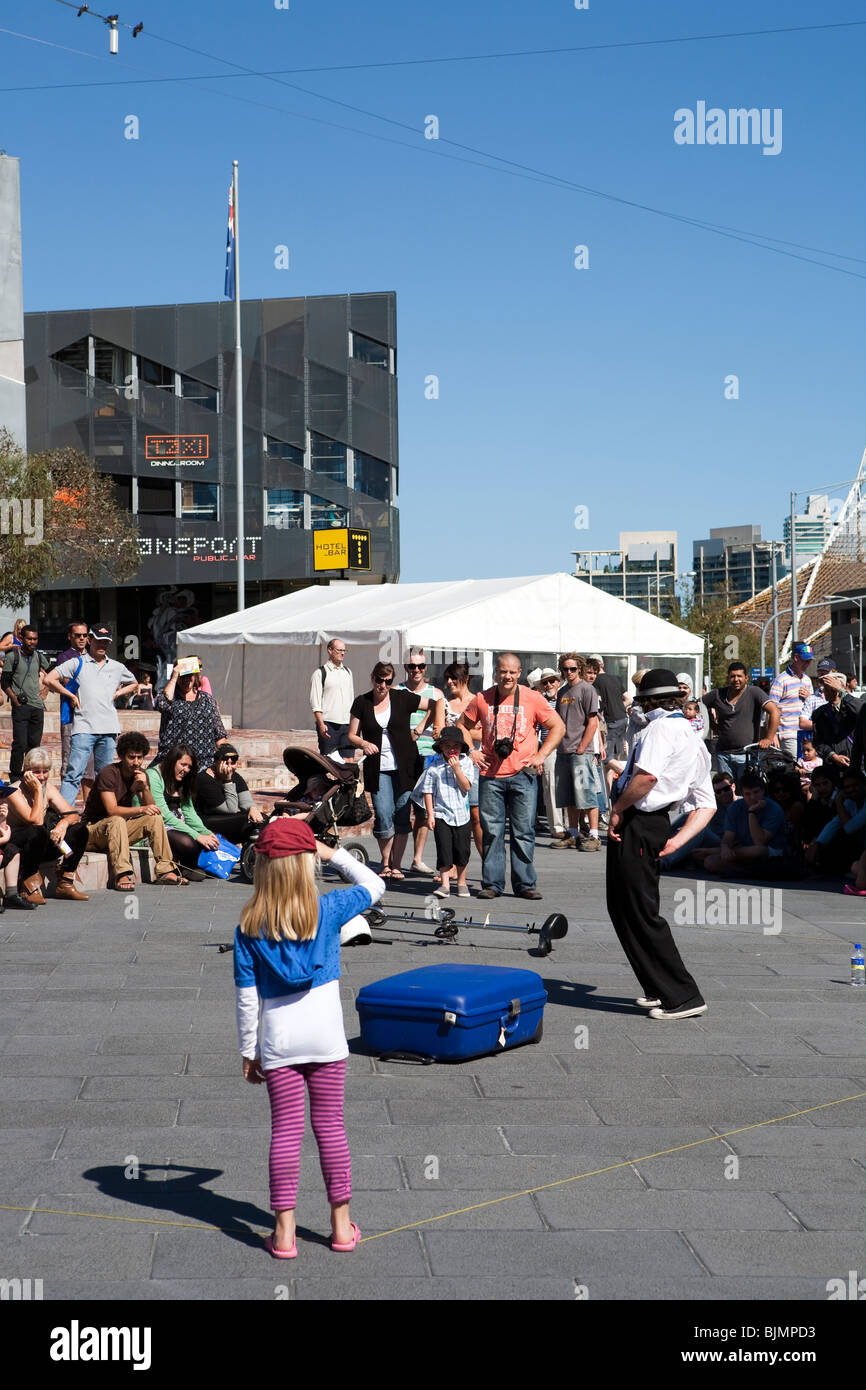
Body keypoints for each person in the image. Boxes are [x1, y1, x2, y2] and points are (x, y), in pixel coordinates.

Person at [232, 817, 385, 1257]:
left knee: (284, 1133)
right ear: (305, 864)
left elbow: (246, 999)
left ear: (262, 866)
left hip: (279, 1042)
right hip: (327, 1040)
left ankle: (283, 1233)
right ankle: (340, 1227)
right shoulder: (329, 909)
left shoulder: (249, 925)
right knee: (331, 1129)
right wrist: (330, 851)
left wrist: (249, 1051)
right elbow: (375, 885)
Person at [606, 669, 716, 1021]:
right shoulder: (689, 732)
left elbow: (647, 778)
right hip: (654, 825)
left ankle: (681, 994)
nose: (639, 707)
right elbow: (706, 803)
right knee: (627, 906)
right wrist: (676, 840)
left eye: (642, 700)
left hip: (639, 821)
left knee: (636, 909)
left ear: (651, 701)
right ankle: (658, 986)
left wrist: (617, 810)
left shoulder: (659, 728)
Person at [458, 652, 565, 900]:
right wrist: (471, 752)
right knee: (492, 831)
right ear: (496, 672)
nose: (507, 676)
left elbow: (558, 727)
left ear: (519, 674)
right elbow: (462, 725)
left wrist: (541, 754)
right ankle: (492, 884)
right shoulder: (483, 698)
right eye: (502, 671)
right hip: (490, 775)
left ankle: (525, 883)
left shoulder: (533, 698)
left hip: (523, 773)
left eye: (512, 672)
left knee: (523, 831)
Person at [347, 662, 444, 879]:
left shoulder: (402, 697)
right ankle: (385, 864)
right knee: (383, 814)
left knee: (402, 815)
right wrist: (363, 744)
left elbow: (436, 703)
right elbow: (352, 734)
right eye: (379, 680)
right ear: (372, 678)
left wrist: (424, 728)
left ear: (392, 681)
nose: (383, 685)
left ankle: (396, 865)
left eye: (388, 681)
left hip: (406, 767)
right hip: (377, 767)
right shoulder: (362, 702)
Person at [45, 625, 140, 805]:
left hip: (108, 728)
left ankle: (102, 812)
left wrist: (118, 694)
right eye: (99, 640)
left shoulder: (117, 667)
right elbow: (49, 679)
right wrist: (70, 694)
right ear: (90, 640)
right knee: (74, 773)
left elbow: (134, 682)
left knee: (105, 776)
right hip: (83, 728)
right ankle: (64, 813)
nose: (102, 645)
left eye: (106, 642)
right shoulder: (77, 662)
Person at [82, 731, 181, 890]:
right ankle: (122, 874)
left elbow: (152, 808)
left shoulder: (141, 774)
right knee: (116, 819)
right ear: (121, 756)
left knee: (154, 818)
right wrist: (141, 808)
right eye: (131, 757)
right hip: (92, 832)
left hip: (118, 832)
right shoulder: (108, 773)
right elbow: (112, 810)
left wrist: (145, 788)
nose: (136, 762)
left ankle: (165, 870)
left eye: (140, 757)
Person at [1, 750, 91, 906]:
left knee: (80, 830)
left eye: (45, 772)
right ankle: (28, 882)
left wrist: (63, 825)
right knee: (38, 830)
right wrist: (37, 791)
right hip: (20, 845)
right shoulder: (15, 791)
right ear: (26, 772)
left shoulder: (48, 788)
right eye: (36, 772)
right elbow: (35, 820)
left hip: (43, 843)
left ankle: (65, 881)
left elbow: (73, 814)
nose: (41, 777)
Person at [398, 649, 446, 875]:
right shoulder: (396, 690)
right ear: (405, 667)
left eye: (420, 666)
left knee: (423, 811)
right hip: (402, 755)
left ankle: (417, 859)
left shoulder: (435, 692)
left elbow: (440, 720)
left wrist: (420, 728)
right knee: (399, 807)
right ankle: (393, 861)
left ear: (425, 668)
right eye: (411, 666)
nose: (416, 670)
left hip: (428, 754)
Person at [414, 726, 476, 898]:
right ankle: (445, 884)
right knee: (444, 849)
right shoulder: (434, 766)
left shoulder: (466, 763)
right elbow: (428, 791)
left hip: (462, 815)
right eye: (447, 745)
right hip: (441, 813)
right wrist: (430, 814)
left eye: (455, 745)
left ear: (461, 747)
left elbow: (466, 787)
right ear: (441, 747)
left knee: (462, 850)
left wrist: (457, 769)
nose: (451, 749)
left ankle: (462, 882)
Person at [702, 661, 780, 787]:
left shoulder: (754, 692)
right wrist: (711, 724)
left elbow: (775, 712)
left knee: (747, 793)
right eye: (732, 676)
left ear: (746, 678)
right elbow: (698, 707)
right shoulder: (718, 694)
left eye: (739, 676)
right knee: (725, 792)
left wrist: (769, 738)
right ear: (728, 678)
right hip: (723, 754)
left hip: (747, 755)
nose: (736, 679)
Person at [554, 653, 603, 852]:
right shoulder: (562, 691)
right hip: (563, 750)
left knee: (587, 794)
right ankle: (573, 833)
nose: (569, 672)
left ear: (579, 669)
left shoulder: (587, 689)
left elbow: (593, 721)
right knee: (568, 796)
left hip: (581, 752)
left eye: (573, 669)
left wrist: (583, 747)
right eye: (565, 669)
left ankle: (594, 835)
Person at [146, 745, 220, 877]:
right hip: (157, 826)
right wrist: (197, 836)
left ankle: (189, 866)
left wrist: (206, 833)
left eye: (189, 767)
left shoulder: (183, 781)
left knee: (211, 839)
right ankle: (184, 866)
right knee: (189, 842)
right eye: (183, 765)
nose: (186, 770)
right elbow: (165, 816)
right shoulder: (153, 776)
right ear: (172, 761)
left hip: (179, 825)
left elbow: (189, 813)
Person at [702, 770, 788, 875]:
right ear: (742, 794)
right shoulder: (735, 807)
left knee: (758, 850)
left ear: (763, 791)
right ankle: (750, 871)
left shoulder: (774, 809)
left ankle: (745, 870)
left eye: (756, 792)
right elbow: (728, 837)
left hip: (770, 852)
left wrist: (751, 812)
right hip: (743, 852)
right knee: (710, 862)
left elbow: (759, 841)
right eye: (747, 794)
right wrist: (725, 848)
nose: (752, 797)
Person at [442, 661, 484, 857]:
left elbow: (487, 734)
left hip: (473, 762)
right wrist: (464, 731)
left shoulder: (478, 701)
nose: (449, 682)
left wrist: (462, 732)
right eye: (447, 678)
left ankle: (487, 861)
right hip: (448, 763)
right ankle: (452, 865)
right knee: (449, 814)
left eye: (453, 678)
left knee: (475, 815)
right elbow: (438, 733)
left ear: (465, 679)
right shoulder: (445, 703)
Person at [154, 663, 227, 771]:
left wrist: (224, 756)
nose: (186, 680)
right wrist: (174, 676)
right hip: (175, 763)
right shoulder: (171, 698)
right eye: (182, 676)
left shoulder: (207, 700)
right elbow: (162, 704)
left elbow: (219, 733)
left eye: (190, 676)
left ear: (195, 676)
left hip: (203, 764)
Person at [1, 625, 51, 781]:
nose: (32, 642)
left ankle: (33, 775)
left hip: (37, 706)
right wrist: (14, 699)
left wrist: (46, 689)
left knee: (34, 745)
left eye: (35, 639)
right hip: (21, 706)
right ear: (21, 639)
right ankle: (15, 776)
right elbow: (5, 682)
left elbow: (51, 673)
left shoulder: (38, 656)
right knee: (20, 744)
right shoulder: (12, 656)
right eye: (29, 638)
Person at [195, 744, 266, 844]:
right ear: (216, 762)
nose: (229, 767)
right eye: (225, 763)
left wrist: (253, 808)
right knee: (247, 821)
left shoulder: (235, 776)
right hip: (206, 821)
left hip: (225, 819)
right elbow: (230, 809)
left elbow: (246, 801)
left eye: (232, 763)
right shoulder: (204, 780)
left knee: (261, 820)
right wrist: (228, 781)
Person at [532, 668, 569, 843]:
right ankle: (557, 827)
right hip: (549, 749)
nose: (549, 684)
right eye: (545, 682)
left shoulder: (566, 699)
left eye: (552, 681)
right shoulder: (541, 703)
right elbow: (535, 731)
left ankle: (572, 826)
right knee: (551, 788)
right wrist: (537, 755)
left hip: (568, 748)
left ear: (558, 682)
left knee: (569, 788)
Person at [53, 621, 90, 780]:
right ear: (70, 637)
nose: (82, 638)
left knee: (90, 759)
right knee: (69, 754)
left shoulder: (92, 656)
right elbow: (68, 682)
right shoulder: (65, 657)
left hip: (90, 714)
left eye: (85, 635)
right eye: (77, 635)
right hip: (71, 713)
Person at [310, 638, 355, 761]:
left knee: (348, 761)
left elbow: (351, 698)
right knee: (330, 762)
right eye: (339, 650)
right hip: (329, 724)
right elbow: (315, 702)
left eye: (344, 650)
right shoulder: (320, 673)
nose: (342, 653)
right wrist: (321, 723)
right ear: (330, 650)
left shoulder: (348, 672)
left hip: (347, 724)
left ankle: (346, 781)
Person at [769, 642, 815, 760]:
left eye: (809, 661)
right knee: (794, 766)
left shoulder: (807, 680)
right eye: (805, 660)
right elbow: (770, 709)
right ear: (795, 658)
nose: (807, 664)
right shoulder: (781, 680)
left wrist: (810, 696)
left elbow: (813, 706)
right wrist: (772, 735)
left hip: (805, 734)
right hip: (788, 733)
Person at [811, 671, 860, 770]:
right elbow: (818, 742)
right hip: (833, 767)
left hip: (858, 764)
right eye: (824, 687)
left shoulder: (853, 706)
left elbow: (861, 710)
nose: (824, 690)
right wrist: (833, 756)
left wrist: (842, 692)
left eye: (828, 686)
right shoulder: (819, 713)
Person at [586, 656, 629, 759]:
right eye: (589, 672)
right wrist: (618, 707)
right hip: (622, 719)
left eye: (594, 672)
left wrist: (610, 709)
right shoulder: (615, 678)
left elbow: (597, 709)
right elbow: (629, 699)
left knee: (607, 758)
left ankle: (623, 773)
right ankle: (621, 774)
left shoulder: (596, 683)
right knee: (614, 756)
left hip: (610, 722)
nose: (592, 676)